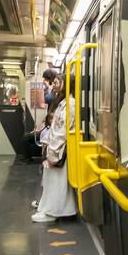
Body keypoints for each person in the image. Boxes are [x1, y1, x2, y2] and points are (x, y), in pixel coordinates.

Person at [32, 76, 75, 223]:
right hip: (54, 145)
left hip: (60, 148)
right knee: (51, 180)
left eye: (57, 82)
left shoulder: (70, 104)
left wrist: (53, 151)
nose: (54, 85)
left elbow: (62, 131)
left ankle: (52, 211)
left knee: (57, 181)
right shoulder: (63, 103)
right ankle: (46, 206)